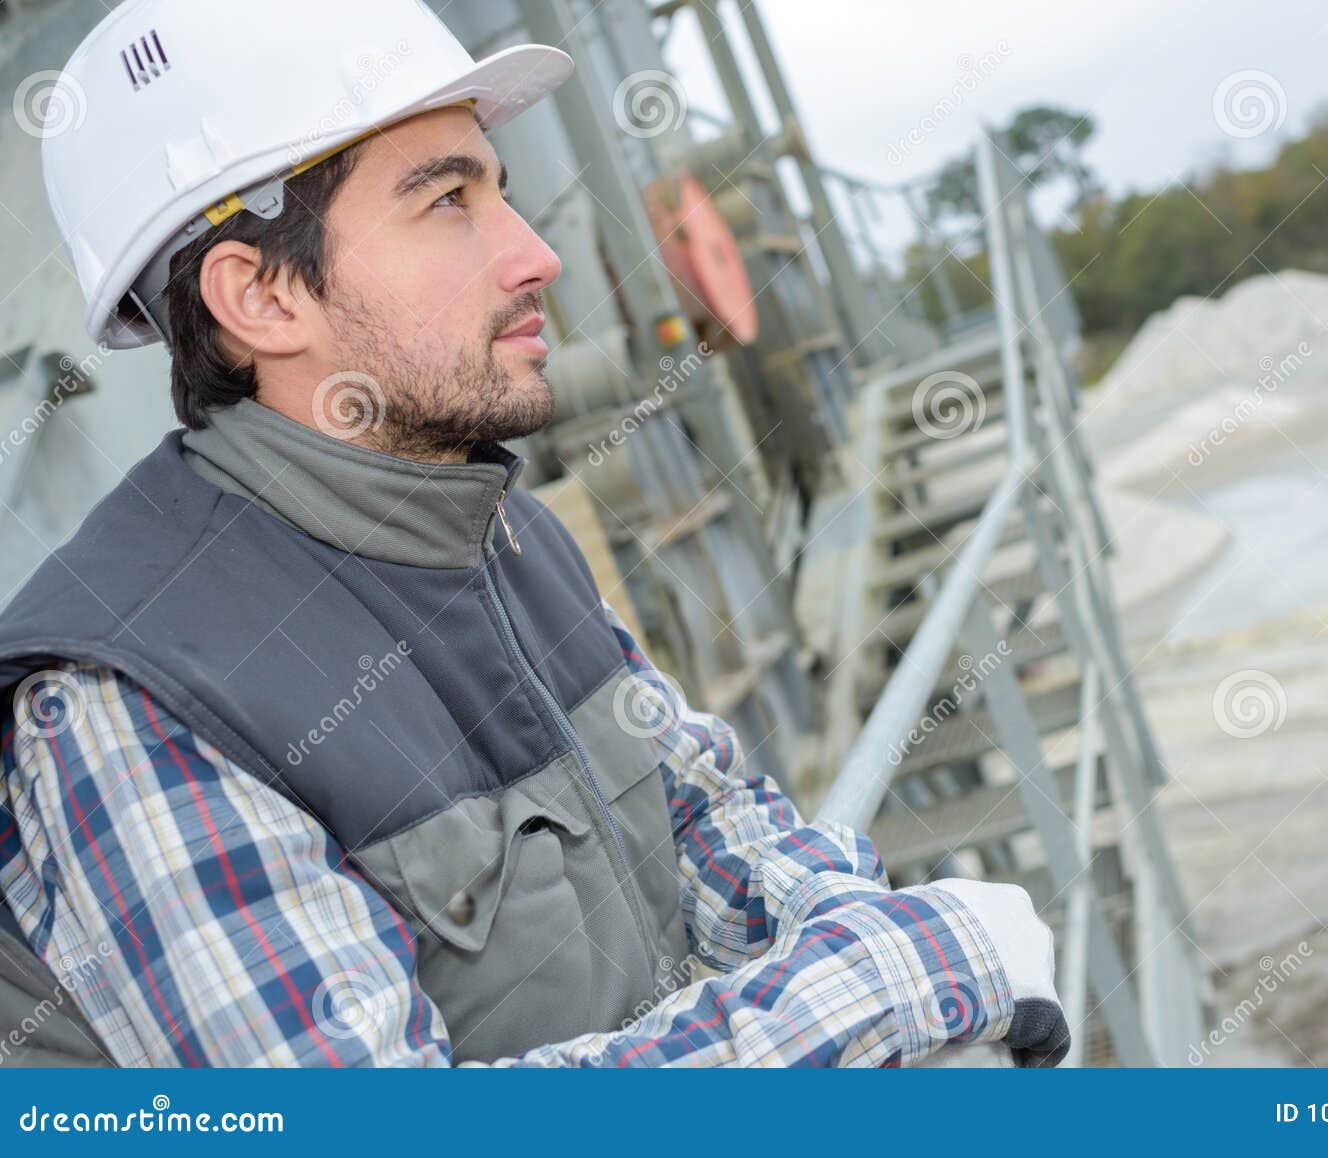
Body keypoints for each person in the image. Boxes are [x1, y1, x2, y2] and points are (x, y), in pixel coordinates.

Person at [0, 0, 1068, 1068]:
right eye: (447, 203)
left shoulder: (505, 528)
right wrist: (892, 982)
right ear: (265, 297)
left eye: (498, 188)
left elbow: (705, 816)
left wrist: (860, 925)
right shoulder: (126, 701)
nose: (537, 255)